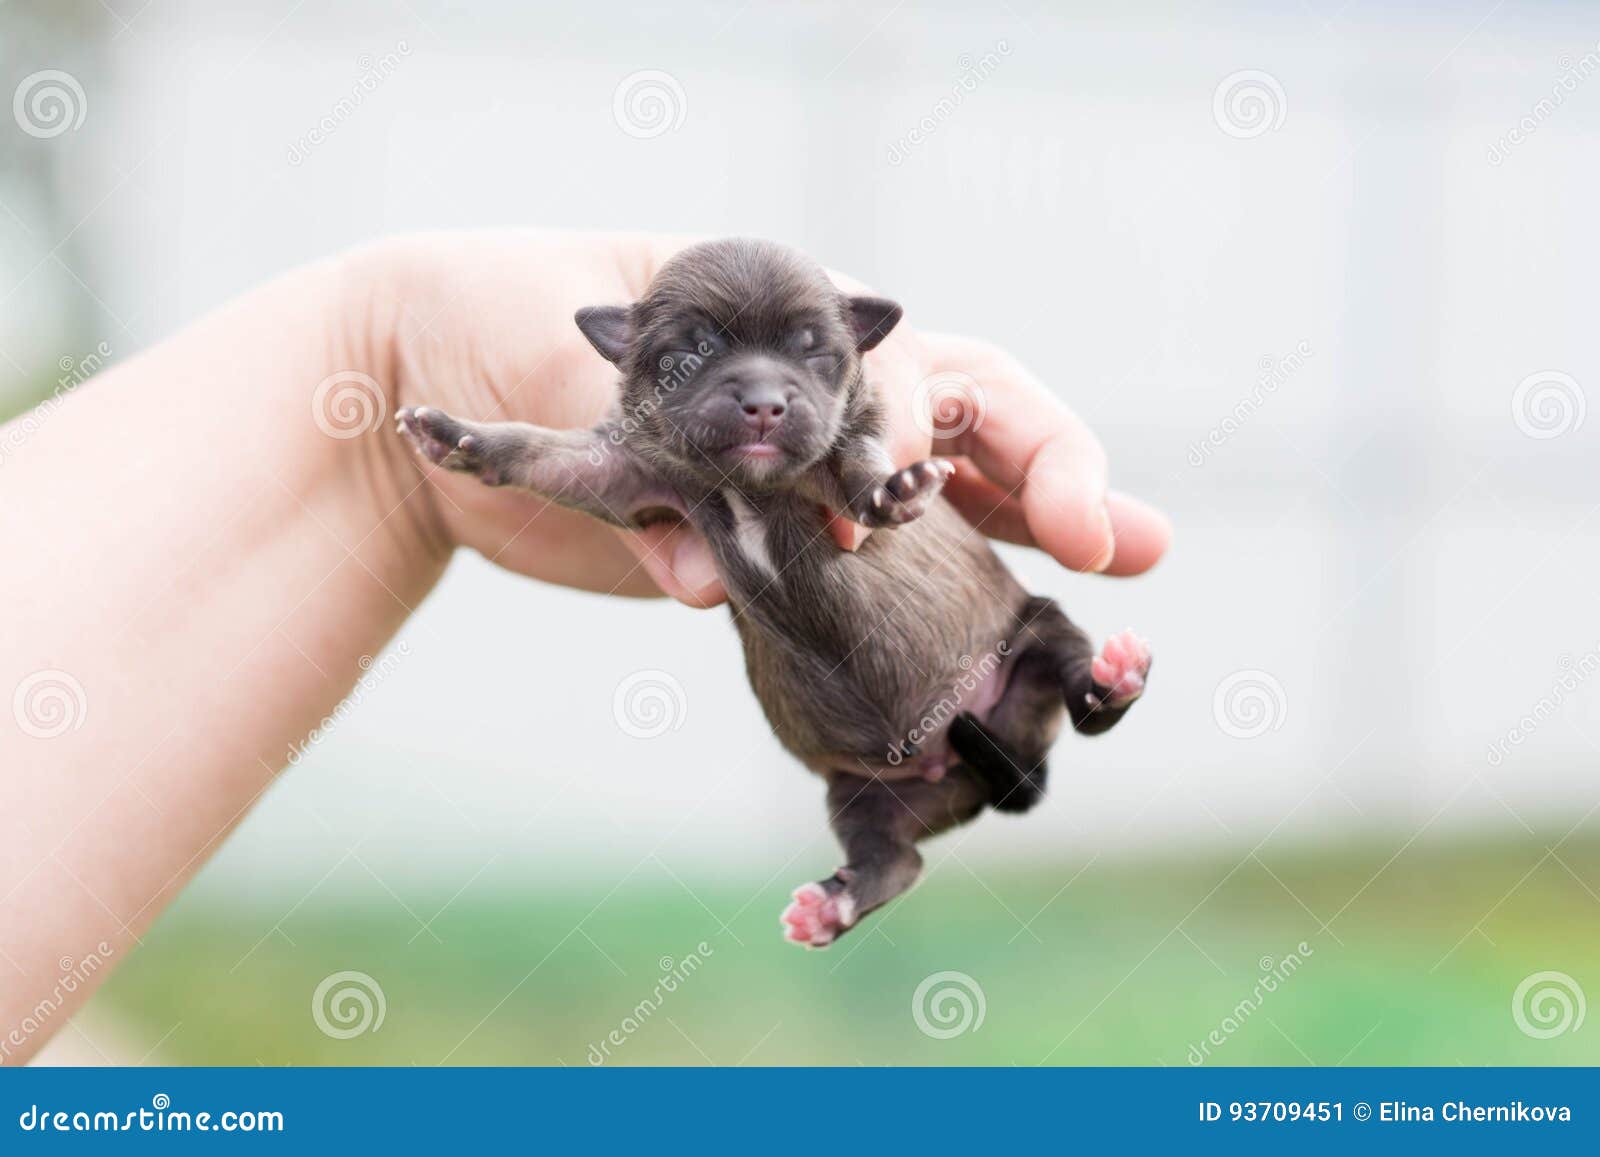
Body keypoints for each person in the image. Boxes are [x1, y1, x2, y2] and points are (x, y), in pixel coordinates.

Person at [0, 232, 1169, 1062]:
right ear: (623, 351)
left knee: (1048, 634)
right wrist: (477, 441)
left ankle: (1094, 689)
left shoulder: (852, 440)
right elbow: (584, 460)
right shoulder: (660, 457)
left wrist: (883, 482)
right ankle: (871, 873)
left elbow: (863, 456)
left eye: (807, 355)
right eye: (693, 357)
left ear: (858, 347)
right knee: (864, 817)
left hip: (1003, 670)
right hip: (874, 768)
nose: (762, 396)